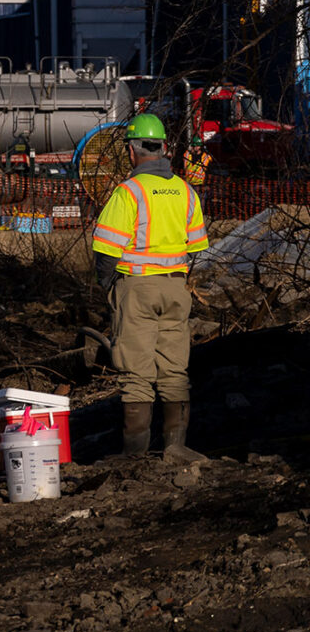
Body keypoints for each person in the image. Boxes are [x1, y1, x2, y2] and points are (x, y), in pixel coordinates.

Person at [92, 114, 209, 454]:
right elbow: (197, 247)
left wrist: (111, 287)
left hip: (137, 289)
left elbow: (105, 249)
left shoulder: (129, 192)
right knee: (175, 371)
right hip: (176, 288)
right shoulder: (185, 191)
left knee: (136, 376)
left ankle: (135, 459)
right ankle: (176, 451)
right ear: (164, 149)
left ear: (132, 151)